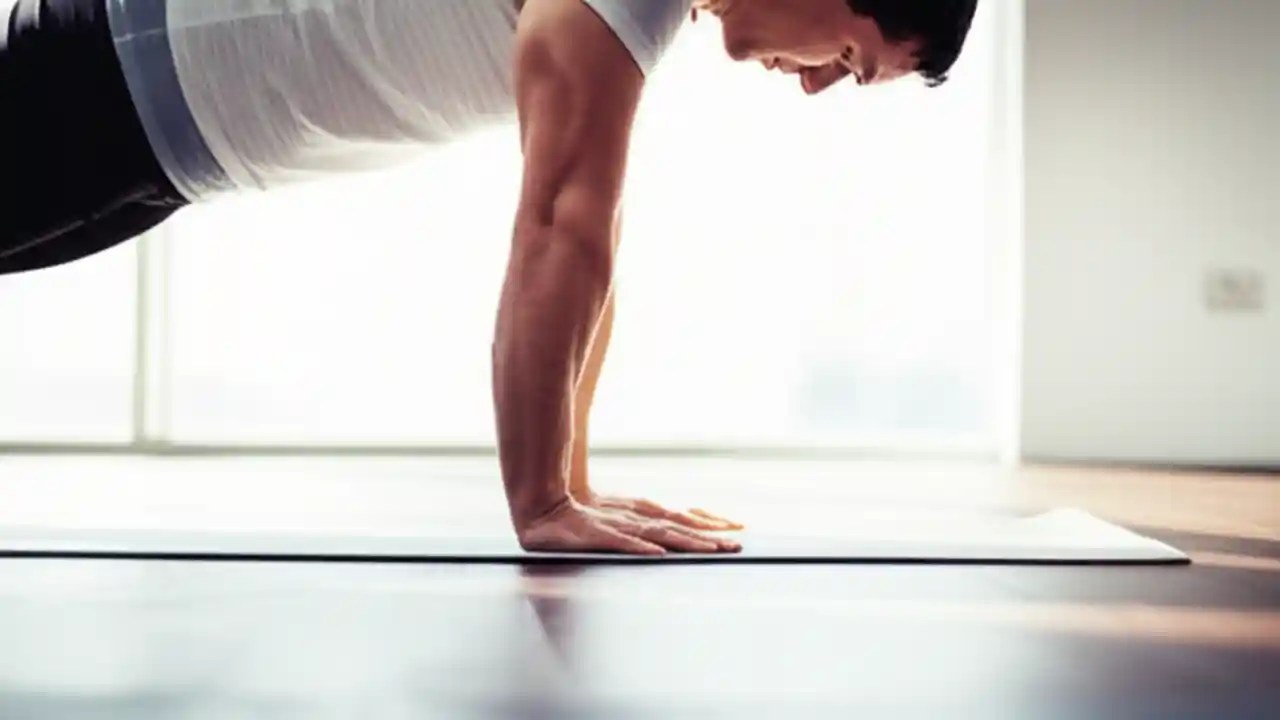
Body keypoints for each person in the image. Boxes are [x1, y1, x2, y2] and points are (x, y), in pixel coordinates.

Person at [0, 0, 980, 555]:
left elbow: (594, 235)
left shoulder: (641, 17)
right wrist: (541, 502)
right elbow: (560, 226)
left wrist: (571, 478)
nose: (812, 84)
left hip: (163, 140)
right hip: (107, 77)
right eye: (847, 61)